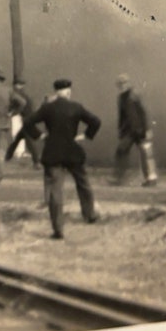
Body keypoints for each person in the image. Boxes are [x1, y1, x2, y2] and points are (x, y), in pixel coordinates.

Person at [20, 78, 101, 240]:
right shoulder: (76, 107)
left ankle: (58, 229)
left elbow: (28, 122)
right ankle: (90, 214)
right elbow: (95, 121)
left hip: (53, 152)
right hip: (72, 151)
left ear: (56, 91)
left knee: (55, 191)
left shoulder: (47, 108)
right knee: (83, 183)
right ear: (68, 91)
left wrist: (41, 135)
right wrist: (85, 136)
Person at [112, 73, 156, 187]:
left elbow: (144, 113)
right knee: (121, 151)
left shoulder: (135, 95)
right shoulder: (121, 98)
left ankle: (151, 178)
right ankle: (120, 177)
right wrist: (121, 130)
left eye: (124, 83)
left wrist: (147, 129)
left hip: (140, 130)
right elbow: (121, 116)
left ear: (128, 83)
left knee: (145, 153)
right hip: (128, 131)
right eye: (120, 84)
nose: (122, 86)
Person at [7, 78, 41, 167]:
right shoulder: (24, 95)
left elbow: (16, 105)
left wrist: (11, 113)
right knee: (18, 138)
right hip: (28, 118)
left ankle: (36, 162)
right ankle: (8, 156)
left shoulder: (18, 95)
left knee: (29, 141)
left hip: (27, 119)